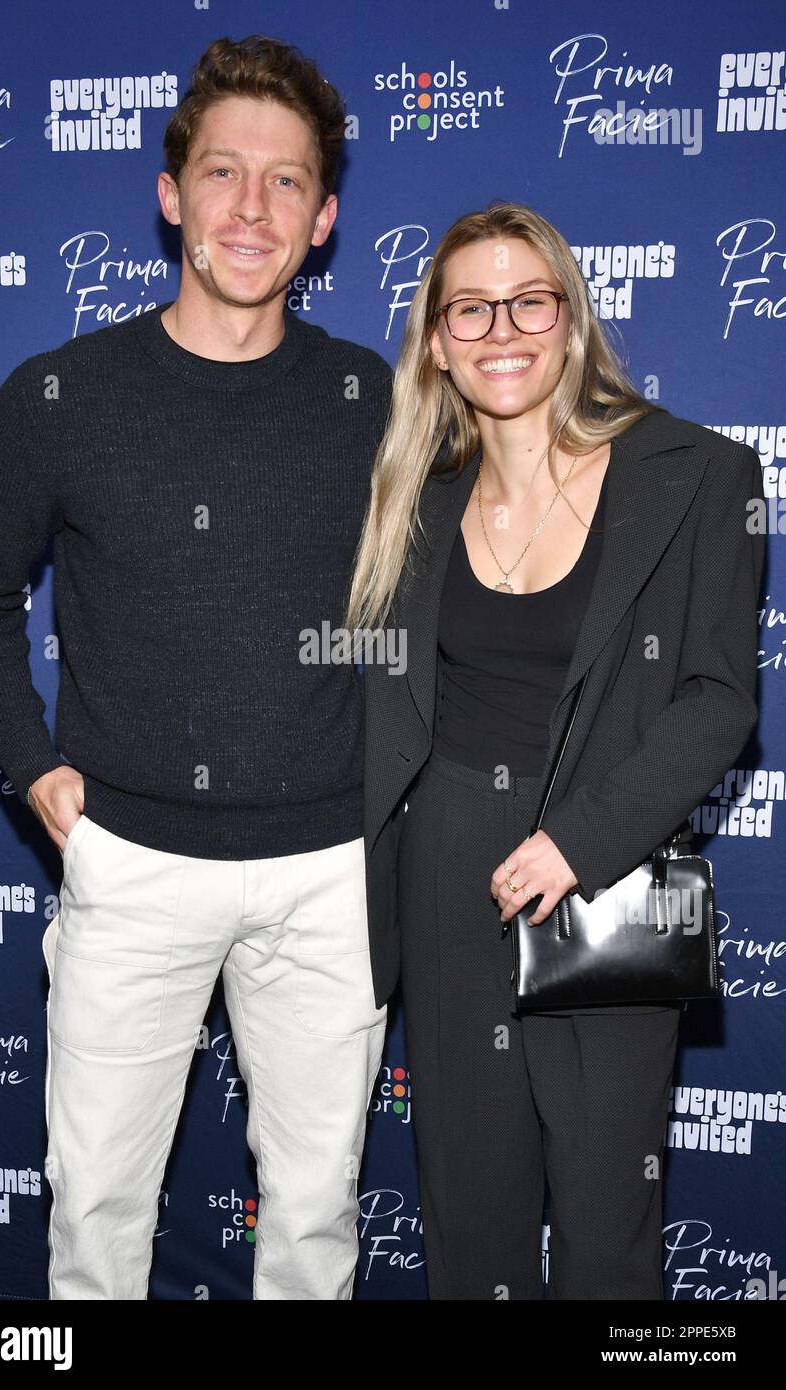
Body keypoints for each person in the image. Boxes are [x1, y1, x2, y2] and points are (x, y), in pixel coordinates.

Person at [0, 35, 392, 1301]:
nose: (251, 208)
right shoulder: (58, 397)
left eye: (287, 182)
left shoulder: (379, 401)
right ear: (170, 192)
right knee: (94, 1221)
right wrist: (34, 771)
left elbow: (451, 604)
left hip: (330, 877)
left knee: (312, 1224)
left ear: (324, 220)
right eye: (224, 173)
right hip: (128, 867)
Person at [347, 201, 765, 1300]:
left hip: (605, 886)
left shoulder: (699, 477)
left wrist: (571, 842)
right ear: (436, 339)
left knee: (605, 1229)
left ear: (571, 318)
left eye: (528, 300)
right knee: (470, 1227)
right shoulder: (411, 500)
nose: (502, 330)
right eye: (469, 309)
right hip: (446, 887)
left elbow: (719, 701)